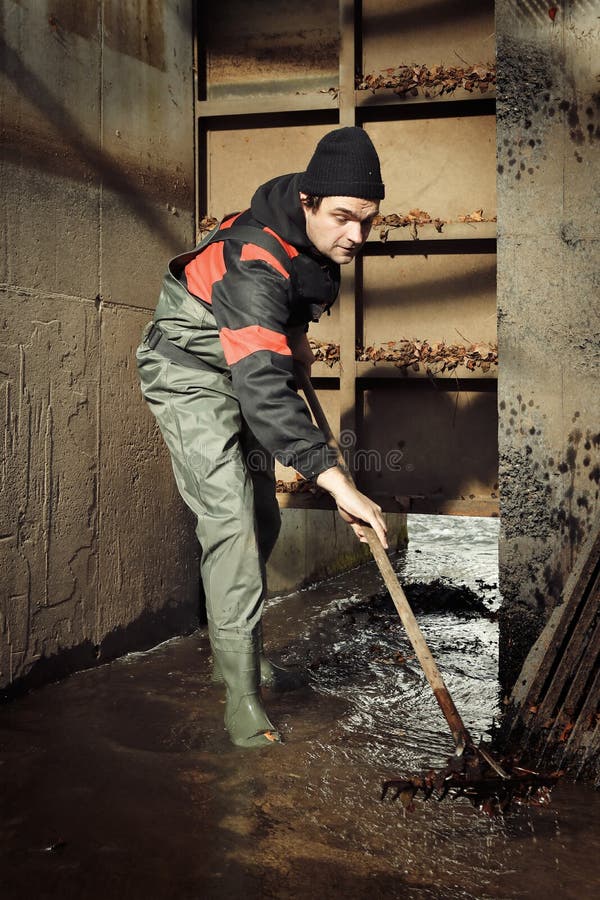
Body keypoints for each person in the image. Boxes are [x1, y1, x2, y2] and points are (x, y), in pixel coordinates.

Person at [136, 127, 388, 749]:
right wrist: (338, 487)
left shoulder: (313, 232)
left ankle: (243, 653)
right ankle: (241, 696)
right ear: (308, 201)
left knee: (261, 519)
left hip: (246, 363)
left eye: (368, 220)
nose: (356, 234)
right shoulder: (253, 260)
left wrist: (296, 345)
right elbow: (264, 394)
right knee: (231, 527)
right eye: (344, 218)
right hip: (192, 374)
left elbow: (292, 308)